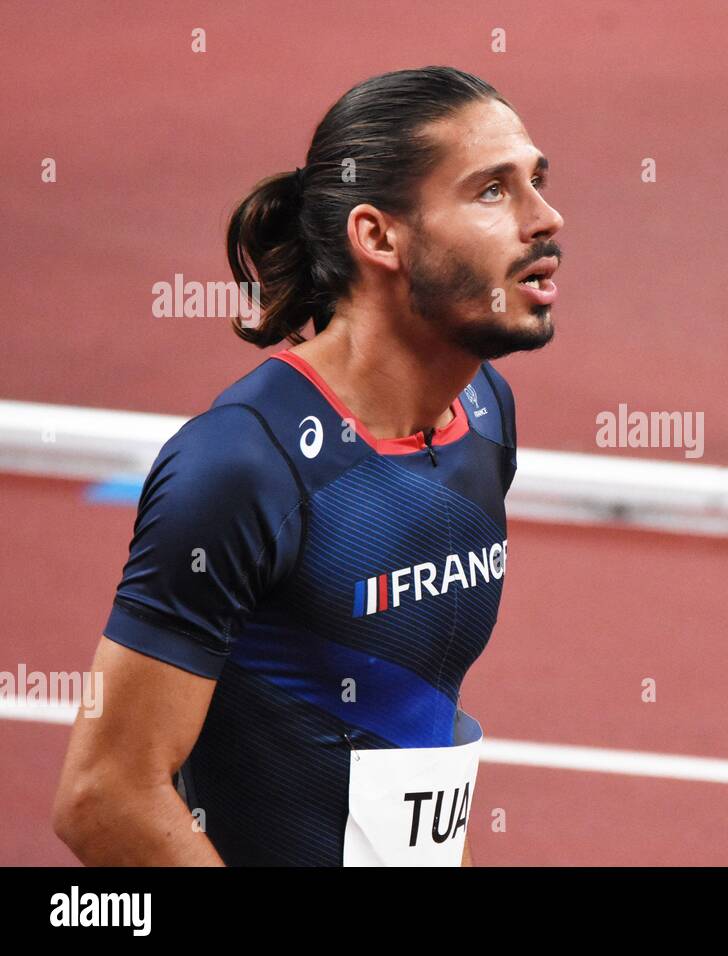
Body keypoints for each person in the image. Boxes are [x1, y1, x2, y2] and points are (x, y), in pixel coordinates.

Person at [51, 66, 563, 866]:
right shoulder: (244, 465)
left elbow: (414, 731)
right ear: (378, 237)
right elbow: (104, 796)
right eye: (492, 192)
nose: (546, 218)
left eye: (536, 180)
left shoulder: (483, 414)